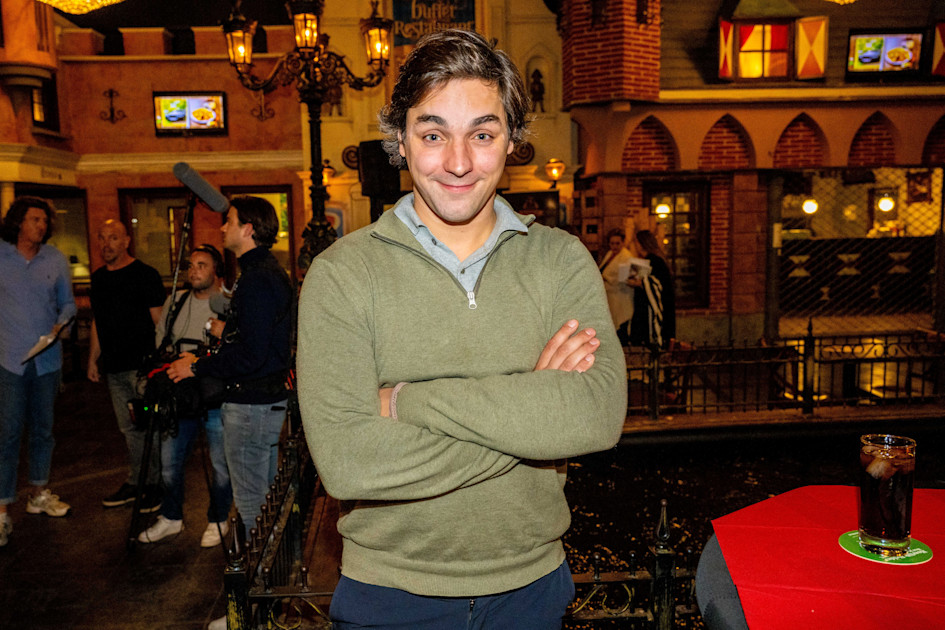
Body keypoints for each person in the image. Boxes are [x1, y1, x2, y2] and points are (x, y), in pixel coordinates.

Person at [296, 29, 627, 630]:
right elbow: (347, 463)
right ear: (400, 141)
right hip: (390, 595)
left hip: (532, 589)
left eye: (482, 133)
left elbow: (597, 417)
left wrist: (407, 402)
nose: (457, 161)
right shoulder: (342, 274)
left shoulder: (560, 260)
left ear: (511, 141)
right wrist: (534, 410)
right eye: (432, 134)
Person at [166, 196, 292, 541]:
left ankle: (258, 570)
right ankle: (268, 561)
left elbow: (251, 355)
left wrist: (197, 366)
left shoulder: (257, 278)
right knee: (266, 498)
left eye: (230, 221)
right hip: (262, 401)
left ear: (248, 229)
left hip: (251, 404)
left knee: (252, 504)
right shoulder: (262, 272)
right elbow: (260, 339)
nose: (223, 227)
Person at [137, 245, 233, 547]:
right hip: (179, 392)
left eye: (202, 265)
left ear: (217, 271)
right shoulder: (175, 302)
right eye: (191, 265)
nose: (194, 270)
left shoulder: (227, 304)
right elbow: (161, 340)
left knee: (220, 463)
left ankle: (218, 518)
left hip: (214, 393)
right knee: (169, 461)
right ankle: (171, 517)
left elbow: (237, 349)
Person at [0, 197, 76, 546]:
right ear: (18, 222)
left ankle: (38, 493)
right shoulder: (1, 257)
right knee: (8, 433)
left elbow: (67, 302)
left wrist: (64, 321)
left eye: (45, 220)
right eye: (35, 219)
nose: (41, 225)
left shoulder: (55, 259)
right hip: (9, 360)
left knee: (43, 431)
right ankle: (2, 510)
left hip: (47, 360)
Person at [88, 219, 166, 513]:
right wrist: (93, 358)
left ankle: (156, 484)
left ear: (126, 241)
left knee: (149, 427)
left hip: (142, 368)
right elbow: (98, 321)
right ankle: (137, 481)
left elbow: (159, 321)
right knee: (129, 429)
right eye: (102, 237)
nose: (106, 244)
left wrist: (162, 361)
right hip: (115, 368)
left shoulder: (145, 275)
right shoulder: (99, 279)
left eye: (113, 237)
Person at [627, 229, 676, 349]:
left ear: (642, 243)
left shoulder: (655, 261)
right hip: (643, 310)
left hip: (652, 312)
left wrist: (640, 283)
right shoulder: (646, 260)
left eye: (636, 242)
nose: (635, 245)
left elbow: (657, 285)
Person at [599, 228, 634, 345]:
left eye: (617, 243)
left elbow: (622, 279)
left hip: (621, 298)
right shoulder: (610, 254)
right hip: (610, 297)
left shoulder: (626, 257)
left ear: (623, 243)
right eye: (612, 243)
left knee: (621, 329)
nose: (614, 246)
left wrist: (605, 278)